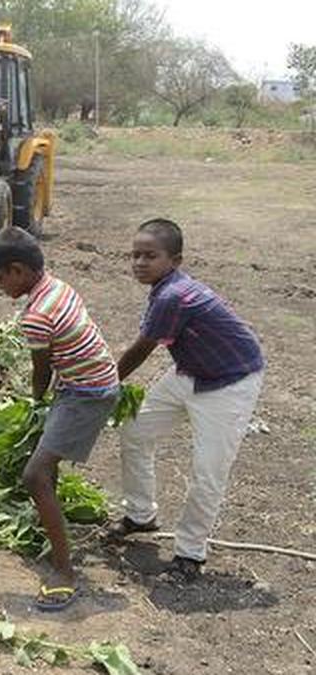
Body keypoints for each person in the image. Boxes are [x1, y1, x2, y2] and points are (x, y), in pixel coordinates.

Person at [111, 218, 265, 582]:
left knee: (208, 473)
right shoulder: (165, 290)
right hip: (190, 373)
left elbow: (141, 350)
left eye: (150, 256)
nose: (139, 263)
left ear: (175, 260)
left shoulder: (172, 295)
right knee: (135, 429)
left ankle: (190, 555)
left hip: (231, 382)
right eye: (135, 255)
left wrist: (103, 384)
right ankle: (141, 515)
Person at [0, 227, 120, 611]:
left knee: (34, 475)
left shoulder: (36, 315)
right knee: (45, 467)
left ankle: (64, 572)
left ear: (18, 270)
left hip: (87, 393)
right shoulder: (58, 287)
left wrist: (34, 399)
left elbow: (40, 371)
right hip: (90, 381)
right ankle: (54, 537)